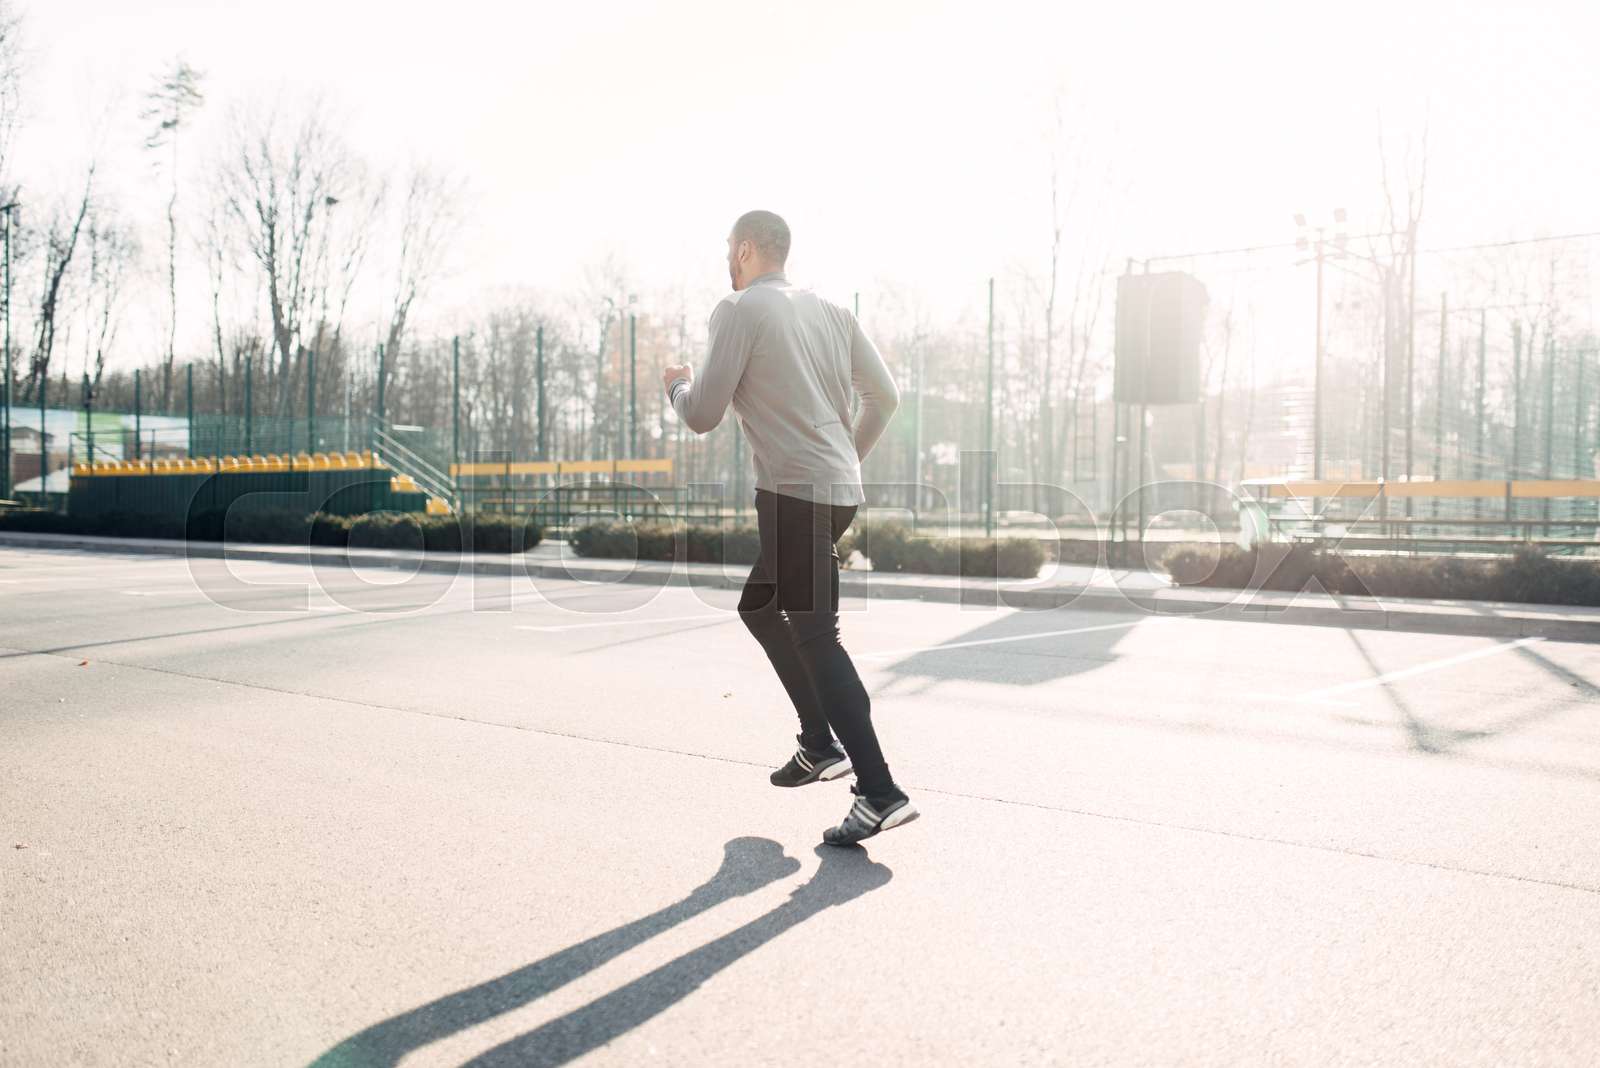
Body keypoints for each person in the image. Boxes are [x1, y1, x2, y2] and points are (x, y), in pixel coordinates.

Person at [662, 210, 918, 845]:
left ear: (747, 249)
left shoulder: (739, 309)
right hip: (837, 491)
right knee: (759, 605)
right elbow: (885, 397)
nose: (728, 260)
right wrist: (845, 459)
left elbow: (703, 415)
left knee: (818, 639)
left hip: (793, 495)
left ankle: (879, 790)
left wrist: (678, 386)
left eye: (730, 249)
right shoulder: (831, 310)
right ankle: (818, 745)